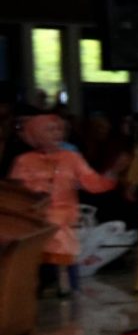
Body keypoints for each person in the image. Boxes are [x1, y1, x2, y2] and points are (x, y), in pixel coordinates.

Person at [9, 112, 116, 293]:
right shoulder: (24, 161)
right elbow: (17, 190)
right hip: (36, 217)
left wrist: (111, 177)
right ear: (36, 133)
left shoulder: (71, 157)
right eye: (50, 130)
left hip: (65, 217)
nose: (56, 134)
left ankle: (64, 286)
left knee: (63, 247)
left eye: (59, 129)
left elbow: (91, 181)